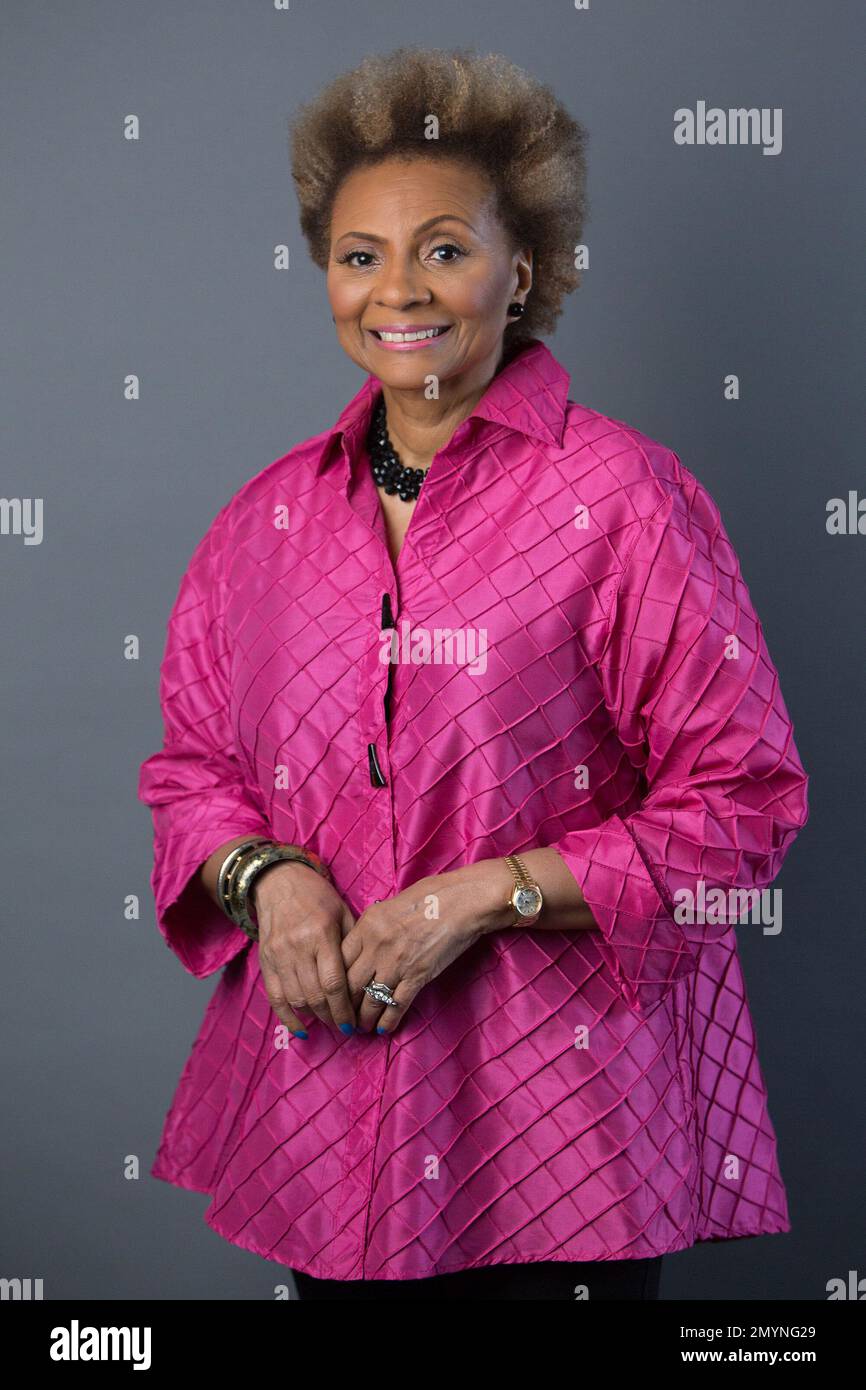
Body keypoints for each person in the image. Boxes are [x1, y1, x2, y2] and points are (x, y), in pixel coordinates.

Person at [138, 47, 809, 1301]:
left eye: (443, 248)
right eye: (358, 255)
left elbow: (744, 806)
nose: (398, 289)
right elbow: (193, 771)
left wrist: (472, 898)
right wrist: (268, 880)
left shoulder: (621, 499)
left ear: (527, 270)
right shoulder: (262, 524)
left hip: (558, 1136)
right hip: (325, 1124)